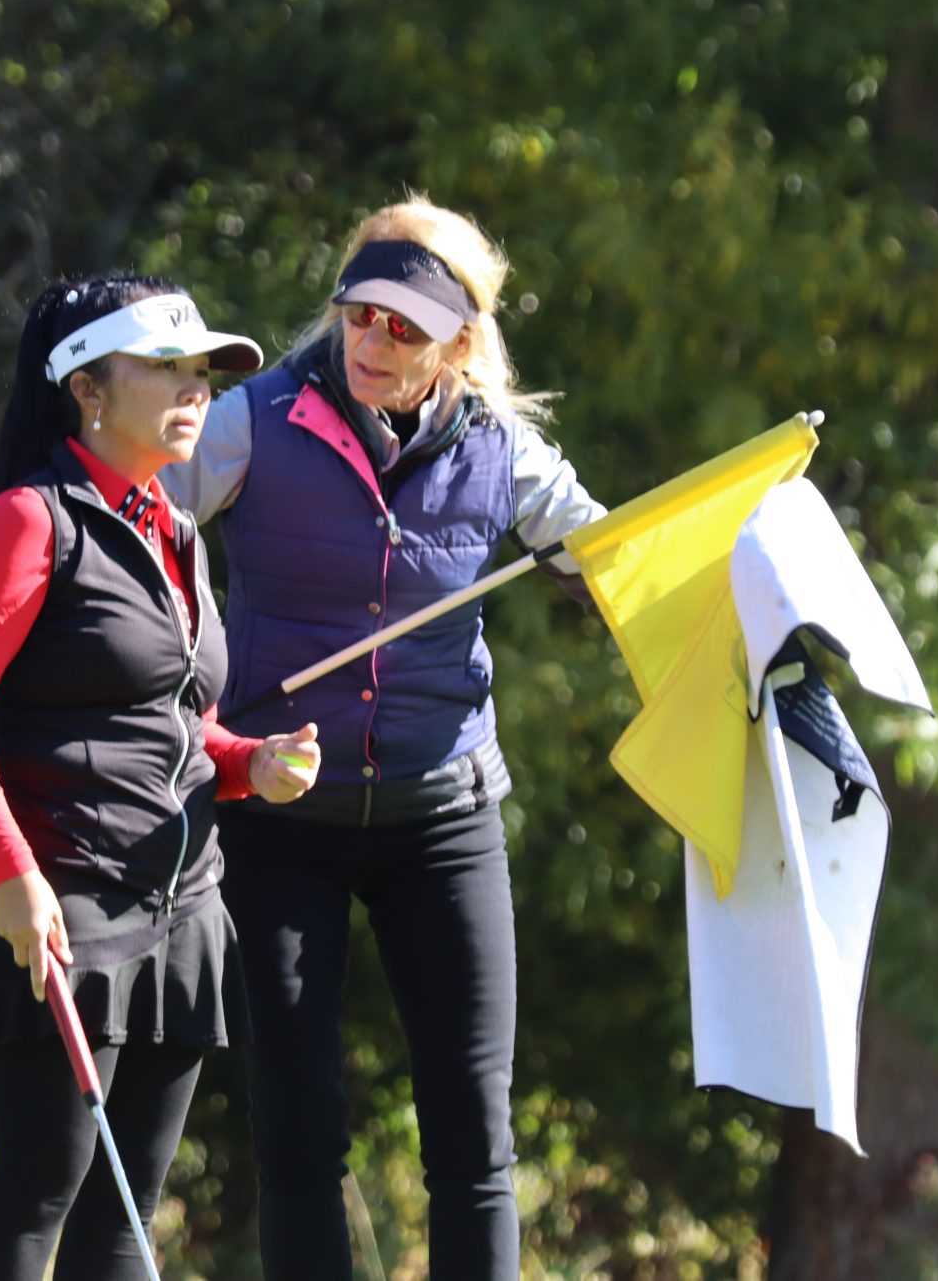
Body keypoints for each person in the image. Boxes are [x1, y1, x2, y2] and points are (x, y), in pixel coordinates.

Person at [160, 198, 607, 1279]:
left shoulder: (504, 449)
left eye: (403, 328)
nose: (370, 343)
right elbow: (132, 538)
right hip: (279, 818)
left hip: (441, 816)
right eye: (358, 315)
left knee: (474, 1142)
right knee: (299, 1138)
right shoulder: (250, 420)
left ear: (458, 340)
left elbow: (614, 557)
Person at [0, 274, 322, 1281]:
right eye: (168, 371)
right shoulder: (25, 522)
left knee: (128, 1209)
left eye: (201, 374)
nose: (195, 392)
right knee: (39, 1191)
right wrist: (11, 875)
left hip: (185, 910)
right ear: (88, 388)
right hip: (69, 906)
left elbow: (183, 723)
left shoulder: (176, 530)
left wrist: (248, 765)